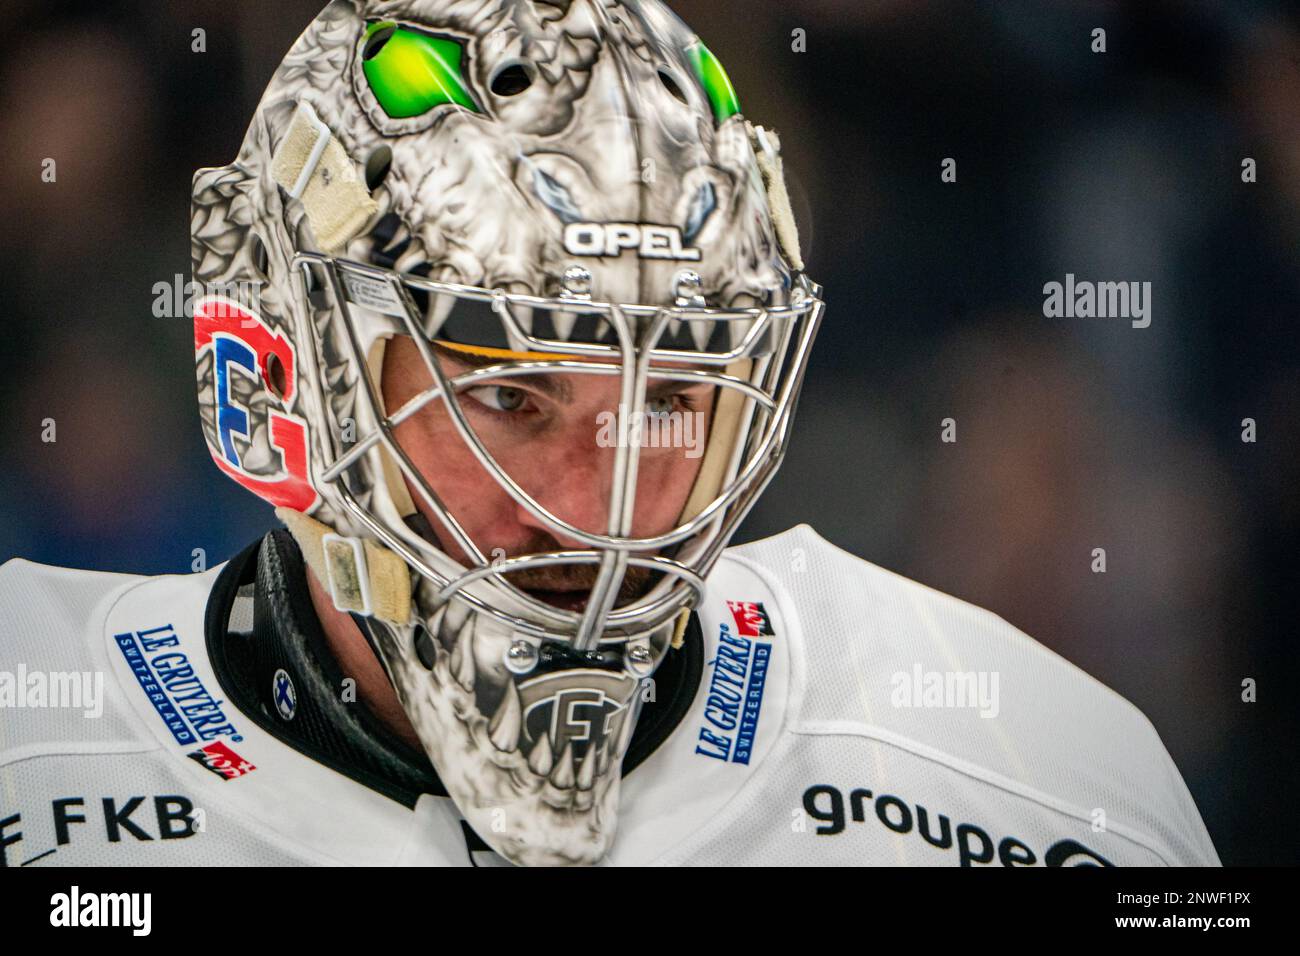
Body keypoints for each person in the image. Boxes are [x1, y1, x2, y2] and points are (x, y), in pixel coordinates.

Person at [0, 0, 1218, 867]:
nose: (599, 505)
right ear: (276, 383)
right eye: (509, 400)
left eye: (671, 398)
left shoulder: (1018, 772)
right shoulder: (31, 742)